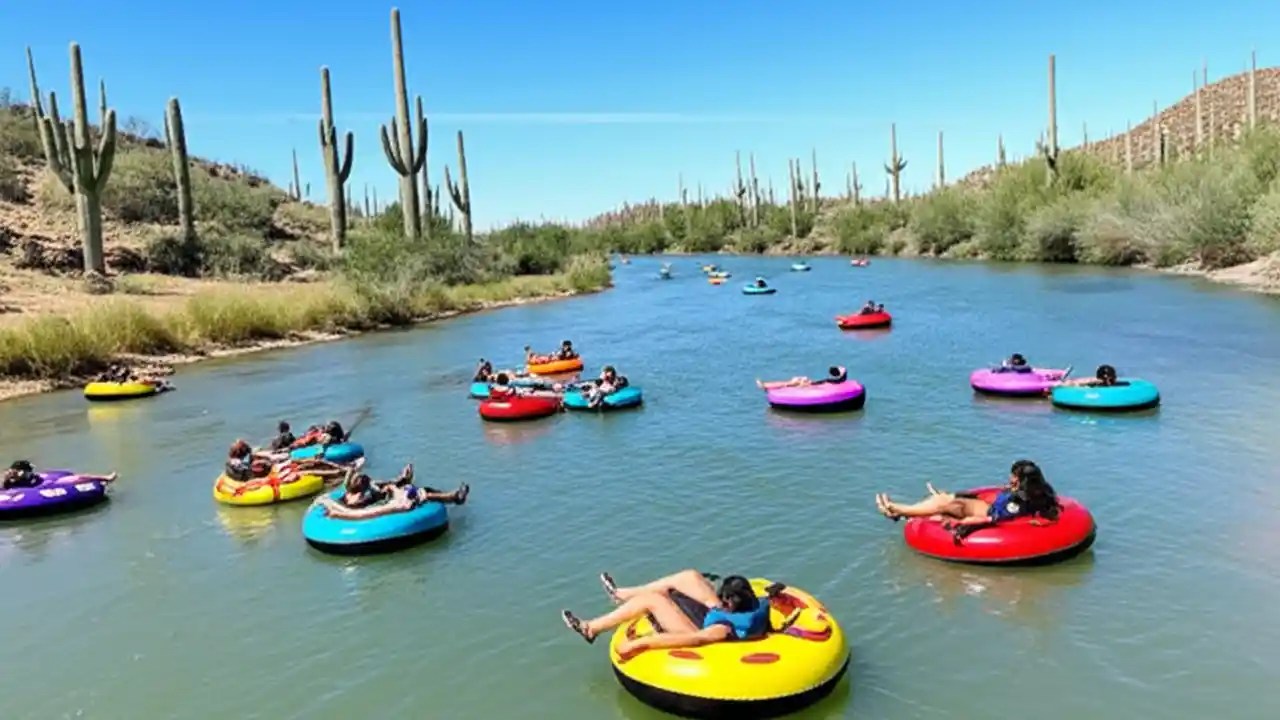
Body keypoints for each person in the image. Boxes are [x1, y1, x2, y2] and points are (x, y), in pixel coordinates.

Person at [560, 569, 770, 655]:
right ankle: (621, 595)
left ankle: (591, 629)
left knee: (652, 600)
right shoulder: (752, 604)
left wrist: (638, 643)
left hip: (697, 628)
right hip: (714, 616)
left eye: (724, 600)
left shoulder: (722, 628)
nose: (720, 599)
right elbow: (722, 607)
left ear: (730, 605)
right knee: (689, 576)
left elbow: (696, 639)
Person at [874, 459, 1061, 529]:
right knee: (942, 500)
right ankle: (897, 512)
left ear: (1021, 481)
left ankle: (895, 508)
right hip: (978, 506)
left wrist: (960, 523)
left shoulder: (1015, 503)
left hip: (974, 512)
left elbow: (990, 520)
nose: (1009, 479)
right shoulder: (1042, 491)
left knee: (941, 504)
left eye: (1013, 477)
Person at [316, 464, 469, 518]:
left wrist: (398, 482)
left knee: (421, 490)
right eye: (358, 479)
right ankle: (454, 497)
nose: (360, 479)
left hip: (385, 498)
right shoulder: (351, 497)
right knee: (423, 493)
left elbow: (381, 487)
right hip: (389, 505)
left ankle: (403, 479)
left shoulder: (363, 490)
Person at [756, 366, 845, 389]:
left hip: (810, 384)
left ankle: (764, 385)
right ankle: (765, 385)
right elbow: (842, 375)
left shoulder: (831, 380)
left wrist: (805, 382)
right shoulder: (834, 379)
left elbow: (841, 376)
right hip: (811, 383)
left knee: (788, 383)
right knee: (790, 382)